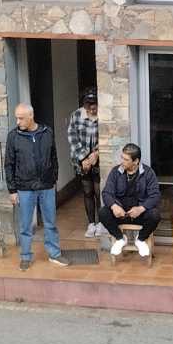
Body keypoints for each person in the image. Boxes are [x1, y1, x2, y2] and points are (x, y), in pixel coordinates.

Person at [5, 103, 65, 271]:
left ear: (31, 116)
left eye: (21, 118)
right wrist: (12, 190)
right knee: (25, 225)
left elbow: (54, 157)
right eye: (17, 117)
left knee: (50, 222)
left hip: (46, 186)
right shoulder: (13, 136)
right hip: (24, 188)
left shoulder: (47, 132)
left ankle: (54, 254)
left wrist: (54, 179)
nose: (18, 121)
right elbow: (9, 164)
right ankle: (25, 256)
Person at [100, 143, 159, 258]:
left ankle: (141, 239)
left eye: (126, 159)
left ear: (136, 161)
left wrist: (141, 209)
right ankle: (120, 238)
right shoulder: (115, 172)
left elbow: (155, 195)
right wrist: (114, 206)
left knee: (155, 215)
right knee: (103, 212)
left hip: (139, 215)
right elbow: (107, 193)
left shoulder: (148, 173)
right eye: (122, 157)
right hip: (120, 214)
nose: (122, 161)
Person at [68, 88, 101, 238]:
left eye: (94, 104)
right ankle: (91, 223)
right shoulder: (76, 115)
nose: (92, 108)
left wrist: (96, 154)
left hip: (98, 159)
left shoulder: (103, 115)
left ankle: (101, 223)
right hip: (82, 162)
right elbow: (72, 138)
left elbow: (106, 136)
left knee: (99, 191)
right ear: (84, 104)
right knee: (87, 191)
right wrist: (84, 158)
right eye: (89, 105)